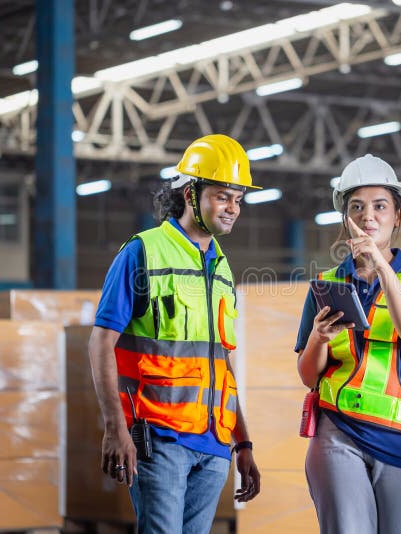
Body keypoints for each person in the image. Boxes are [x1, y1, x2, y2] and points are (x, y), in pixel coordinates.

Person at [88, 134, 261, 534]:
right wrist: (116, 429)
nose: (233, 208)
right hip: (160, 439)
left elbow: (221, 361)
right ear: (190, 194)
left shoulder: (221, 266)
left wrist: (243, 443)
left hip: (214, 446)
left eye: (238, 199)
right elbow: (101, 343)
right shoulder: (142, 252)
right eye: (222, 196)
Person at [295, 154, 401, 534]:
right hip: (338, 433)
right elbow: (308, 374)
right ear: (345, 218)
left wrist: (380, 264)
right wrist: (318, 338)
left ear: (398, 215)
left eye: (380, 206)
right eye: (357, 207)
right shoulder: (327, 283)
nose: (367, 216)